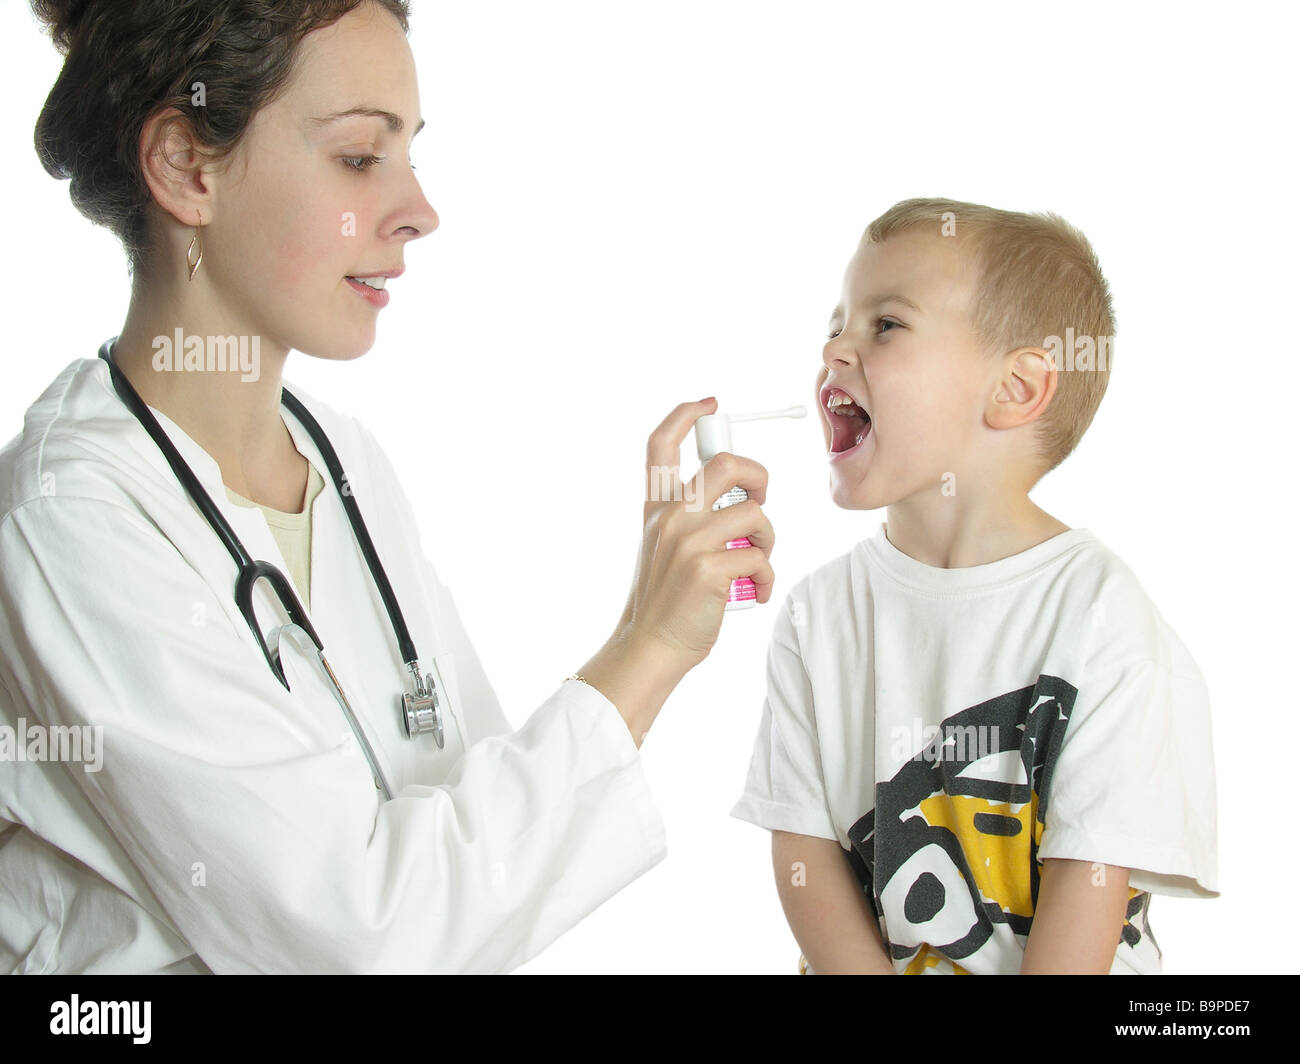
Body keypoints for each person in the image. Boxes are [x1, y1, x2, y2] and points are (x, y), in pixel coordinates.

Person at [0, 0, 775, 973]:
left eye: (409, 153)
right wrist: (649, 645)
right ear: (187, 167)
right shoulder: (68, 521)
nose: (420, 209)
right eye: (361, 157)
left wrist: (652, 621)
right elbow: (360, 938)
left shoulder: (344, 461)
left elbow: (482, 871)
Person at [729, 198, 1219, 975]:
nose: (835, 351)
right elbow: (804, 852)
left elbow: (1088, 886)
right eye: (836, 324)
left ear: (1015, 388)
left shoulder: (1101, 616)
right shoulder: (816, 616)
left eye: (885, 325)